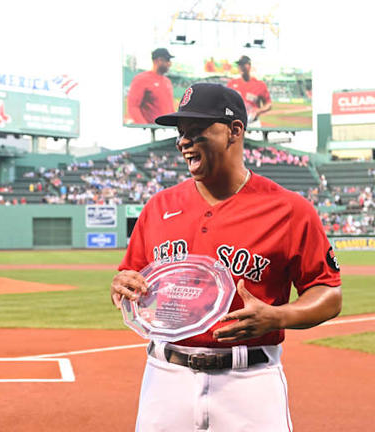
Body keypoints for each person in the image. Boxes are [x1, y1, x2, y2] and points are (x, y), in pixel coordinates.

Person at [110, 83, 342, 431]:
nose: (184, 141)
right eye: (181, 133)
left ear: (235, 130)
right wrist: (122, 284)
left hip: (249, 381)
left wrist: (278, 316)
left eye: (196, 130)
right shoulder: (159, 207)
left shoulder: (290, 210)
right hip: (166, 378)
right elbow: (132, 276)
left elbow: (329, 293)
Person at [126, 48, 175, 125]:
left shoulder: (167, 81)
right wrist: (145, 126)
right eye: (167, 60)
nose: (170, 64)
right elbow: (133, 107)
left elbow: (170, 108)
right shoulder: (142, 79)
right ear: (158, 60)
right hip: (152, 128)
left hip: (166, 128)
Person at [227, 55, 272, 127]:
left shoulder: (259, 84)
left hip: (253, 123)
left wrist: (258, 111)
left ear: (249, 65)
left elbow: (268, 104)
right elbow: (226, 103)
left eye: (243, 64)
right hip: (236, 123)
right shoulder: (232, 84)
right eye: (239, 64)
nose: (241, 67)